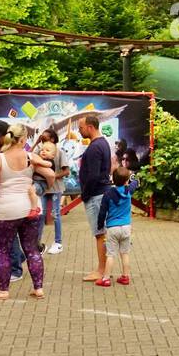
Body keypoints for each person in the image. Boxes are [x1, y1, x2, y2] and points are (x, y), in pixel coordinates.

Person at [0, 122, 44, 301]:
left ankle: (3, 290)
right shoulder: (31, 157)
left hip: (7, 209)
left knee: (3, 250)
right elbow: (50, 173)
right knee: (32, 250)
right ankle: (38, 288)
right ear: (22, 139)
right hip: (29, 207)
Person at [77, 113, 113, 283]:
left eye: (81, 128)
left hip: (96, 195)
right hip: (101, 193)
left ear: (90, 127)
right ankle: (106, 267)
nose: (79, 131)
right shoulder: (103, 143)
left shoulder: (94, 147)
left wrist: (85, 194)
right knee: (102, 233)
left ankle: (101, 269)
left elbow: (93, 175)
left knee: (100, 234)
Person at [95, 166, 138, 286]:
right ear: (126, 181)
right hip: (126, 227)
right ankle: (125, 276)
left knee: (110, 254)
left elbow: (102, 212)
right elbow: (135, 183)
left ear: (112, 180)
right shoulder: (129, 190)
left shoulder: (108, 194)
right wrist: (133, 178)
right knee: (125, 253)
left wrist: (99, 225)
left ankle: (106, 279)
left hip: (113, 228)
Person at [35, 130, 68, 254]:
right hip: (43, 189)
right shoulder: (39, 151)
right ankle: (37, 244)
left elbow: (66, 171)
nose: (42, 140)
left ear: (53, 139)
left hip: (55, 188)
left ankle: (58, 242)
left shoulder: (60, 152)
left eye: (45, 138)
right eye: (41, 139)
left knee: (55, 214)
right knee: (40, 215)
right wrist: (36, 143)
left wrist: (53, 176)